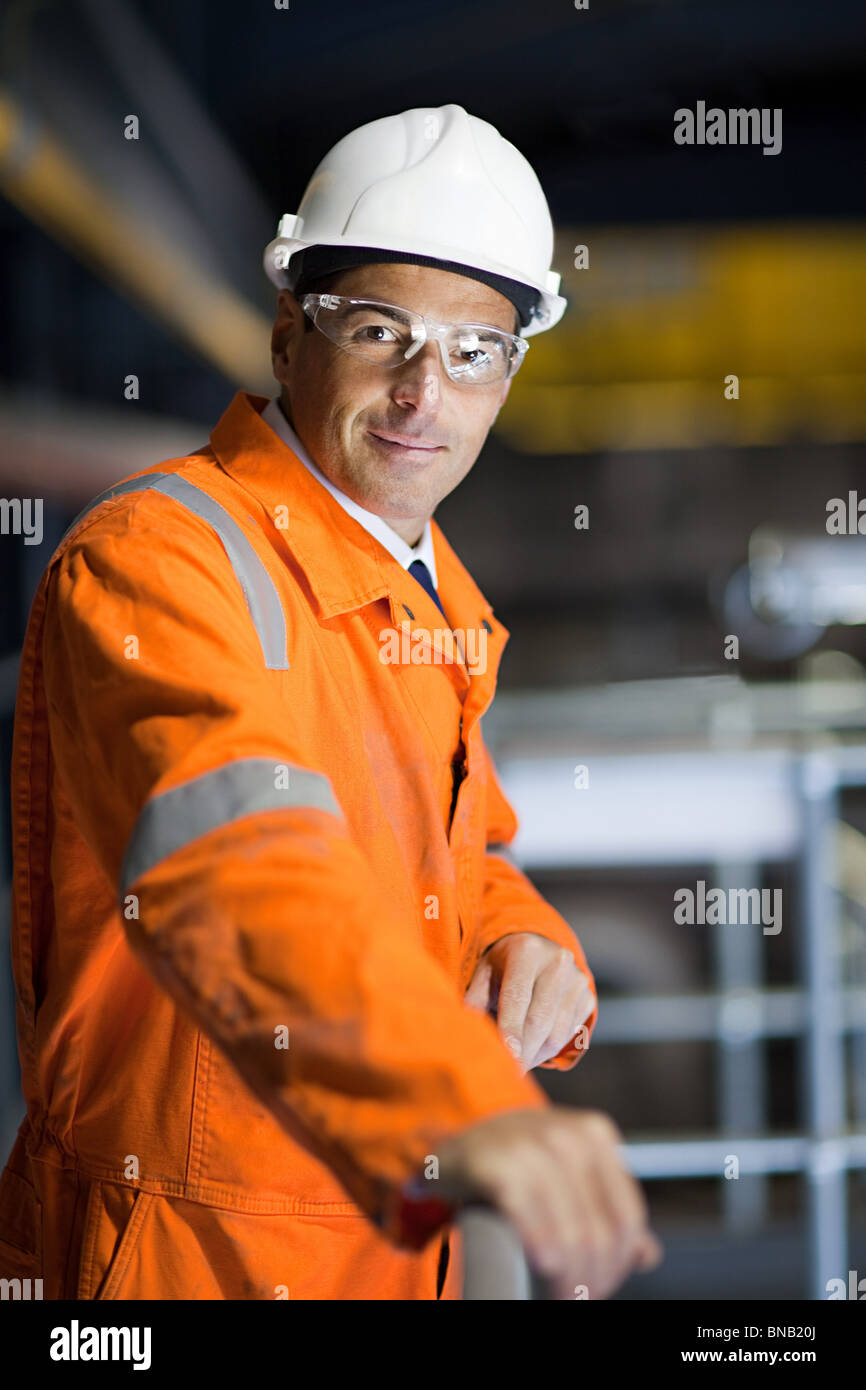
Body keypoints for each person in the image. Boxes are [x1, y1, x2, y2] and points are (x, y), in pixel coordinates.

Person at [0, 104, 660, 1300]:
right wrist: (457, 1102)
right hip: (192, 1259)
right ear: (286, 338)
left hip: (396, 1239)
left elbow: (448, 851)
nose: (424, 392)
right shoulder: (158, 559)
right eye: (378, 330)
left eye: (473, 350)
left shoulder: (431, 592)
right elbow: (238, 860)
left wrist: (522, 936)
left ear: (510, 375)